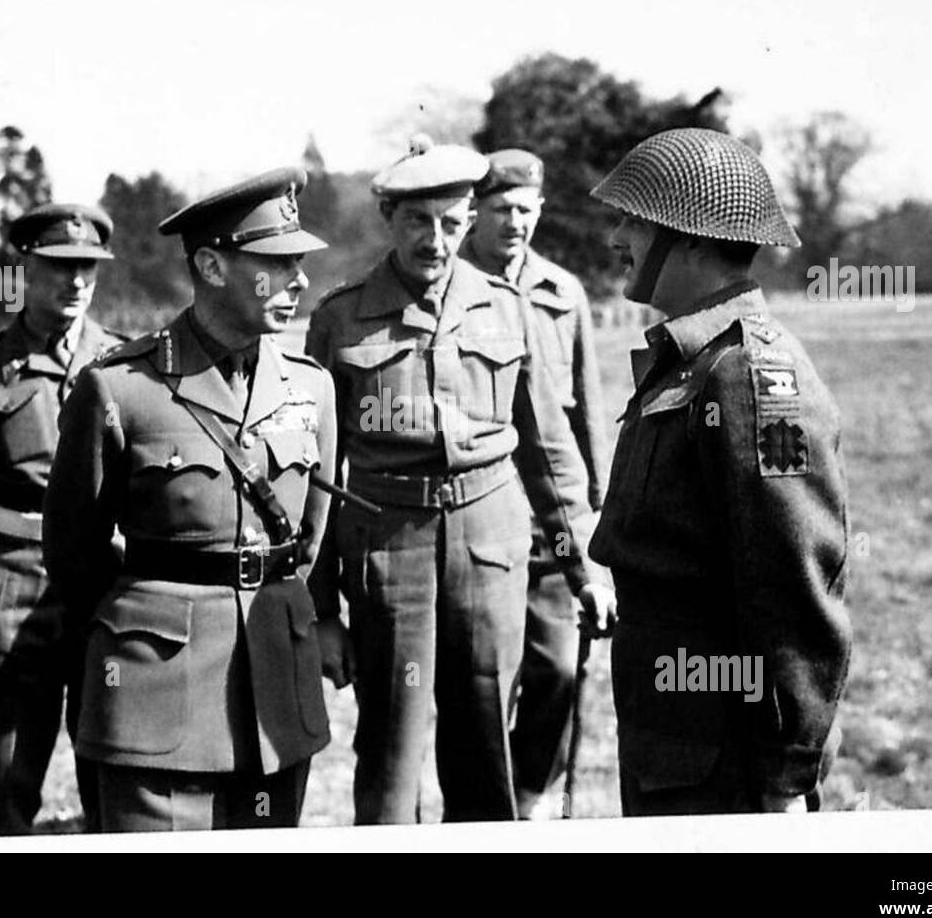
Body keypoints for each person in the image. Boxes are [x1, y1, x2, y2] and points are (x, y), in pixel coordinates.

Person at [305, 135, 616, 825]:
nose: (436, 240)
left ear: (470, 219)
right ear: (389, 218)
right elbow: (318, 479)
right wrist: (323, 611)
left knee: (483, 743)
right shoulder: (341, 316)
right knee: (390, 750)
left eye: (451, 222)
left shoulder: (507, 307)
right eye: (418, 221)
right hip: (389, 550)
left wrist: (585, 567)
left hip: (490, 547)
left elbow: (548, 452)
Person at [42, 167, 337, 831]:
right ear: (211, 265)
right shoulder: (120, 388)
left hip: (276, 698)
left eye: (299, 263)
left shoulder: (310, 388)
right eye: (277, 263)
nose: (298, 280)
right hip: (156, 700)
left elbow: (308, 541)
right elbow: (74, 553)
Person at [588, 127, 852, 815]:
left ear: (691, 238)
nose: (617, 237)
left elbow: (792, 589)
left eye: (633, 221)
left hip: (723, 761)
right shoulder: (692, 360)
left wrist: (787, 775)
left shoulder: (748, 374)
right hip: (671, 740)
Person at [0, 202, 126, 835]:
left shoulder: (127, 365)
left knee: (116, 777)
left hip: (105, 584)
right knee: (9, 784)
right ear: (25, 270)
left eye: (88, 267)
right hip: (15, 582)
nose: (76, 281)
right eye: (60, 266)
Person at [460, 149, 611, 820]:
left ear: (541, 211)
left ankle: (532, 798)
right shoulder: (454, 289)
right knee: (486, 682)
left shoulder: (561, 292)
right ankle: (485, 813)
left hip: (555, 521)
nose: (514, 223)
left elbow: (586, 408)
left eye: (525, 210)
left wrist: (596, 516)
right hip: (484, 514)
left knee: (559, 668)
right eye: (500, 210)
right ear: (475, 213)